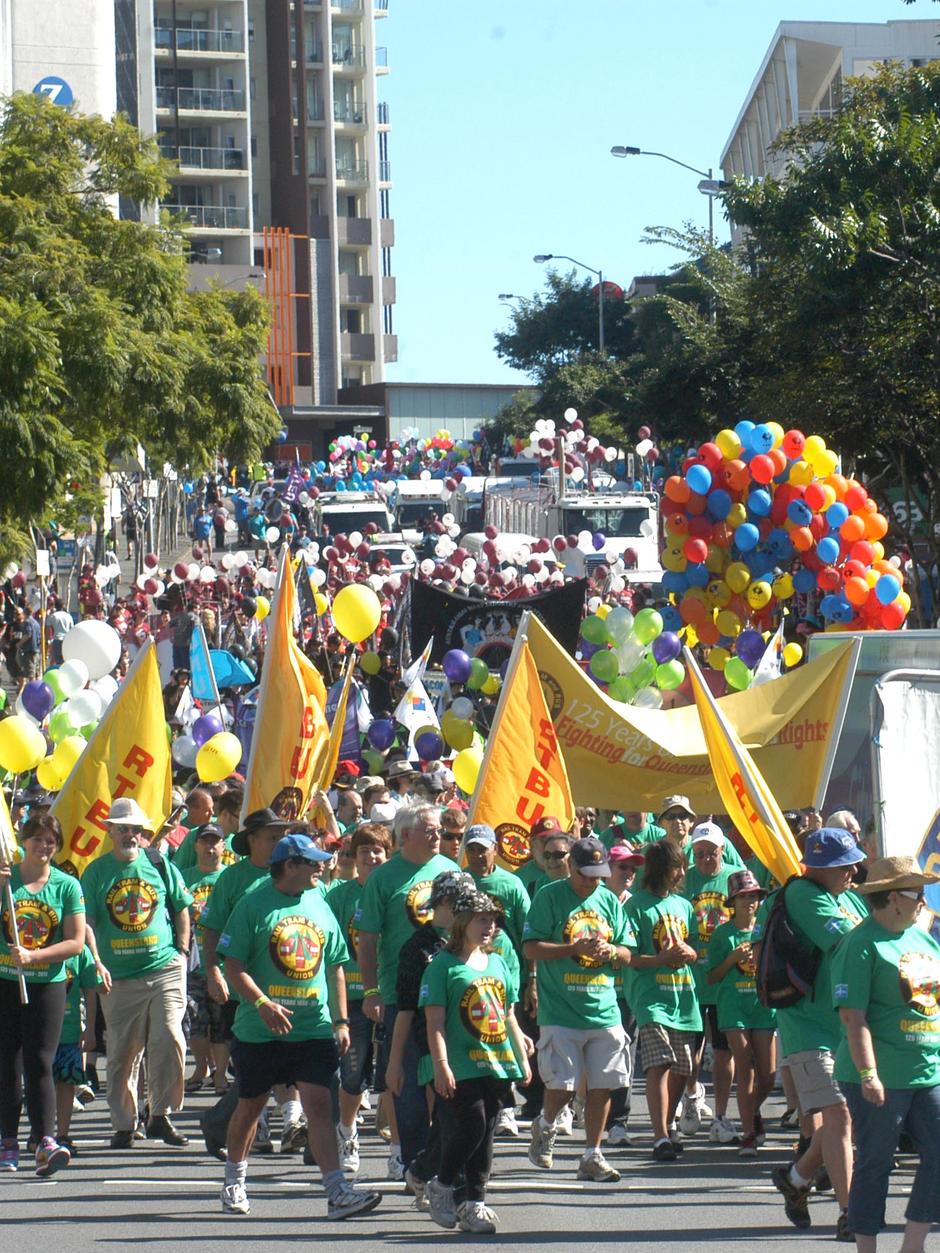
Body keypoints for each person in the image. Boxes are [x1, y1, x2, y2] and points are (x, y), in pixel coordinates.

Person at [217, 833, 381, 1219]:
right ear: (289, 865)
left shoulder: (319, 901)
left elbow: (336, 964)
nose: (322, 866)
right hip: (262, 1031)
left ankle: (337, 1191)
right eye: (314, 861)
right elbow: (233, 964)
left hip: (313, 1027)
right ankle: (233, 1180)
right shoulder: (252, 905)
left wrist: (340, 1020)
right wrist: (261, 1003)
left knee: (320, 1107)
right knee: (250, 1107)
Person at [832, 855, 940, 1253]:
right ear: (894, 898)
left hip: (926, 1071)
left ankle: (912, 1246)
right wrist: (868, 1074)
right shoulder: (859, 945)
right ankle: (866, 1246)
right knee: (877, 1162)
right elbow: (852, 1016)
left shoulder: (923, 939)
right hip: (880, 1075)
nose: (924, 902)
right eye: (918, 894)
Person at [765, 828, 867, 1239]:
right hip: (807, 1024)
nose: (854, 870)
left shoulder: (850, 897)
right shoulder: (803, 894)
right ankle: (850, 1213)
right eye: (844, 865)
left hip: (844, 1024)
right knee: (840, 1114)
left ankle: (796, 1176)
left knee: (850, 1116)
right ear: (819, 866)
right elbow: (846, 942)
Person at [81, 797, 193, 1148]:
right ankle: (124, 1124)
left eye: (135, 829)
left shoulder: (159, 863)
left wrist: (183, 951)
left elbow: (182, 908)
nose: (130, 834)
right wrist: (96, 962)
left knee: (170, 1038)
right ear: (109, 831)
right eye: (123, 828)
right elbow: (88, 923)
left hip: (165, 968)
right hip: (119, 977)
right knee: (123, 1053)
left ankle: (160, 1115)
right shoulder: (96, 872)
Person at [422, 889, 532, 1234]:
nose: (489, 926)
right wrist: (441, 1064)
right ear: (463, 922)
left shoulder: (497, 962)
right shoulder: (442, 966)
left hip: (496, 1061)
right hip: (461, 1062)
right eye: (481, 919)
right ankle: (441, 1185)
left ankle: (475, 1203)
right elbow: (434, 1022)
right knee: (472, 1125)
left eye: (493, 920)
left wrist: (522, 1059)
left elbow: (508, 1015)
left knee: (486, 1132)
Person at [523, 836, 632, 1183]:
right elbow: (531, 948)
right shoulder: (549, 896)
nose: (592, 882)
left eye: (598, 875)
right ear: (570, 867)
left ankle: (592, 1154)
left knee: (604, 1085)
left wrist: (611, 952)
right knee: (563, 1086)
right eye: (586, 874)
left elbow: (629, 951)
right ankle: (546, 1124)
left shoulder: (609, 901)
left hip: (604, 1009)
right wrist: (572, 948)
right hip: (560, 1011)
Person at [356, 803, 455, 1178]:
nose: (437, 836)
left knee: (449, 1079)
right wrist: (370, 992)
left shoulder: (451, 870)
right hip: (403, 993)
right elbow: (367, 939)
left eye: (440, 829)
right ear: (406, 834)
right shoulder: (384, 878)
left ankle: (446, 1160)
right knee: (410, 1082)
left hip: (449, 991)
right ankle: (412, 1160)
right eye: (429, 829)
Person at [0, 814, 85, 1176]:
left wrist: (35, 956)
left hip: (47, 984)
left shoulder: (67, 886)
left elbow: (75, 942)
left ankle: (45, 1141)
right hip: (4, 980)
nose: (44, 846)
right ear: (23, 841)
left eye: (50, 840)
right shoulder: (6, 881)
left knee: (41, 1063)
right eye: (37, 839)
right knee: (7, 1063)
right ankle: (7, 1140)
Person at [622, 838, 701, 1162]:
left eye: (682, 865)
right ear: (658, 869)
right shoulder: (635, 906)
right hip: (649, 997)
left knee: (685, 1066)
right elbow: (628, 955)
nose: (680, 872)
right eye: (675, 866)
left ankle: (667, 1127)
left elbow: (695, 948)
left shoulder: (683, 906)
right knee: (660, 1061)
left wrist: (691, 953)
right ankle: (659, 1137)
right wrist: (661, 958)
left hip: (682, 996)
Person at [325, 822, 392, 1175]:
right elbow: (329, 953)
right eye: (363, 851)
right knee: (352, 1076)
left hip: (392, 994)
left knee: (394, 1075)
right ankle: (347, 1132)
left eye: (377, 850)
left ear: (387, 854)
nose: (370, 856)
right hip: (351, 999)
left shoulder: (398, 890)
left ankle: (399, 1147)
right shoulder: (339, 897)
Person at [706, 868, 777, 1157]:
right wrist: (733, 958)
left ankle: (752, 1113)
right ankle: (748, 1133)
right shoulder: (723, 934)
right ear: (732, 902)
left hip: (762, 1007)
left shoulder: (765, 930)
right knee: (744, 1066)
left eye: (754, 896)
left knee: (768, 1076)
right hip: (733, 1006)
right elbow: (712, 976)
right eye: (743, 897)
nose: (749, 902)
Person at [681, 821, 736, 1141]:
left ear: (722, 850)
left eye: (710, 853)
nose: (704, 859)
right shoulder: (684, 878)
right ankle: (691, 1097)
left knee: (725, 1052)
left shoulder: (732, 877)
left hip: (726, 980)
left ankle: (721, 1115)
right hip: (691, 979)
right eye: (699, 853)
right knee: (690, 1052)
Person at [181, 824, 230, 1093]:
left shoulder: (229, 878)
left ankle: (220, 1074)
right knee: (196, 1020)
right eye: (205, 842)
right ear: (196, 845)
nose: (210, 848)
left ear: (223, 846)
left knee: (221, 1021)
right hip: (192, 964)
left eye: (216, 842)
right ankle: (201, 1067)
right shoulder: (185, 878)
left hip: (223, 961)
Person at [52, 942, 101, 1155]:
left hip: (69, 1030)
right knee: (40, 1083)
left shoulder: (79, 950)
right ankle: (40, 1134)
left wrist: (89, 1029)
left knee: (66, 1083)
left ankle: (62, 1134)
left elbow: (91, 990)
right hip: (38, 1030)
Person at [464, 823, 530, 956]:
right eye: (471, 850)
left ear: (495, 849)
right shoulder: (460, 880)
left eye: (482, 849)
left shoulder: (512, 884)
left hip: (506, 962)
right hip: (468, 962)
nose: (477, 855)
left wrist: (531, 973)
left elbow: (528, 931)